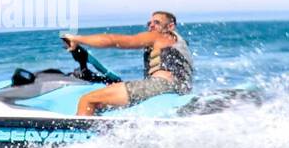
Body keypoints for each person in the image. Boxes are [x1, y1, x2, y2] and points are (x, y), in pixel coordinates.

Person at [60, 12, 194, 117]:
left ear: (170, 26)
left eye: (157, 22)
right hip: (180, 89)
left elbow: (114, 40)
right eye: (150, 23)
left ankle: (81, 143)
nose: (151, 26)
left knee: (88, 100)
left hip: (160, 85)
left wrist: (76, 39)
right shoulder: (181, 44)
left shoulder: (160, 36)